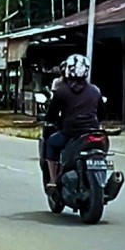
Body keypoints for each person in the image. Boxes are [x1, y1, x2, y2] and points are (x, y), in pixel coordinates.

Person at [43, 54, 104, 191]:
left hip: (71, 132)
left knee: (51, 143)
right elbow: (102, 114)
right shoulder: (95, 91)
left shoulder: (61, 91)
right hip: (93, 131)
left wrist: (50, 120)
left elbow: (51, 115)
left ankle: (53, 180)